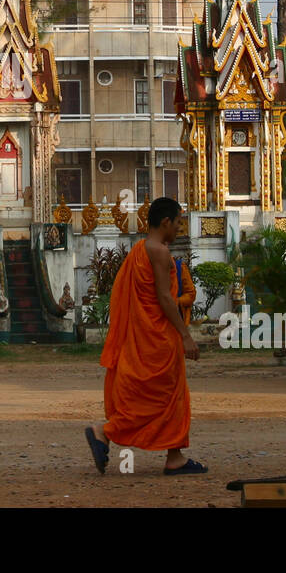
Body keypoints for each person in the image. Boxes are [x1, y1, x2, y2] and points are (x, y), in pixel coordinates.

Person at [84, 196, 205, 476]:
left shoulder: (140, 249)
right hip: (158, 337)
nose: (179, 229)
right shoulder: (158, 251)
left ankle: (175, 456)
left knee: (165, 395)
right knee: (160, 396)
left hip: (145, 336)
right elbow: (165, 298)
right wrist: (185, 335)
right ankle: (103, 431)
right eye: (177, 223)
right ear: (165, 222)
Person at [175, 257, 197, 326]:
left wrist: (176, 301)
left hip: (176, 318)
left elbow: (191, 294)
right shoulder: (143, 265)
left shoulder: (179, 267)